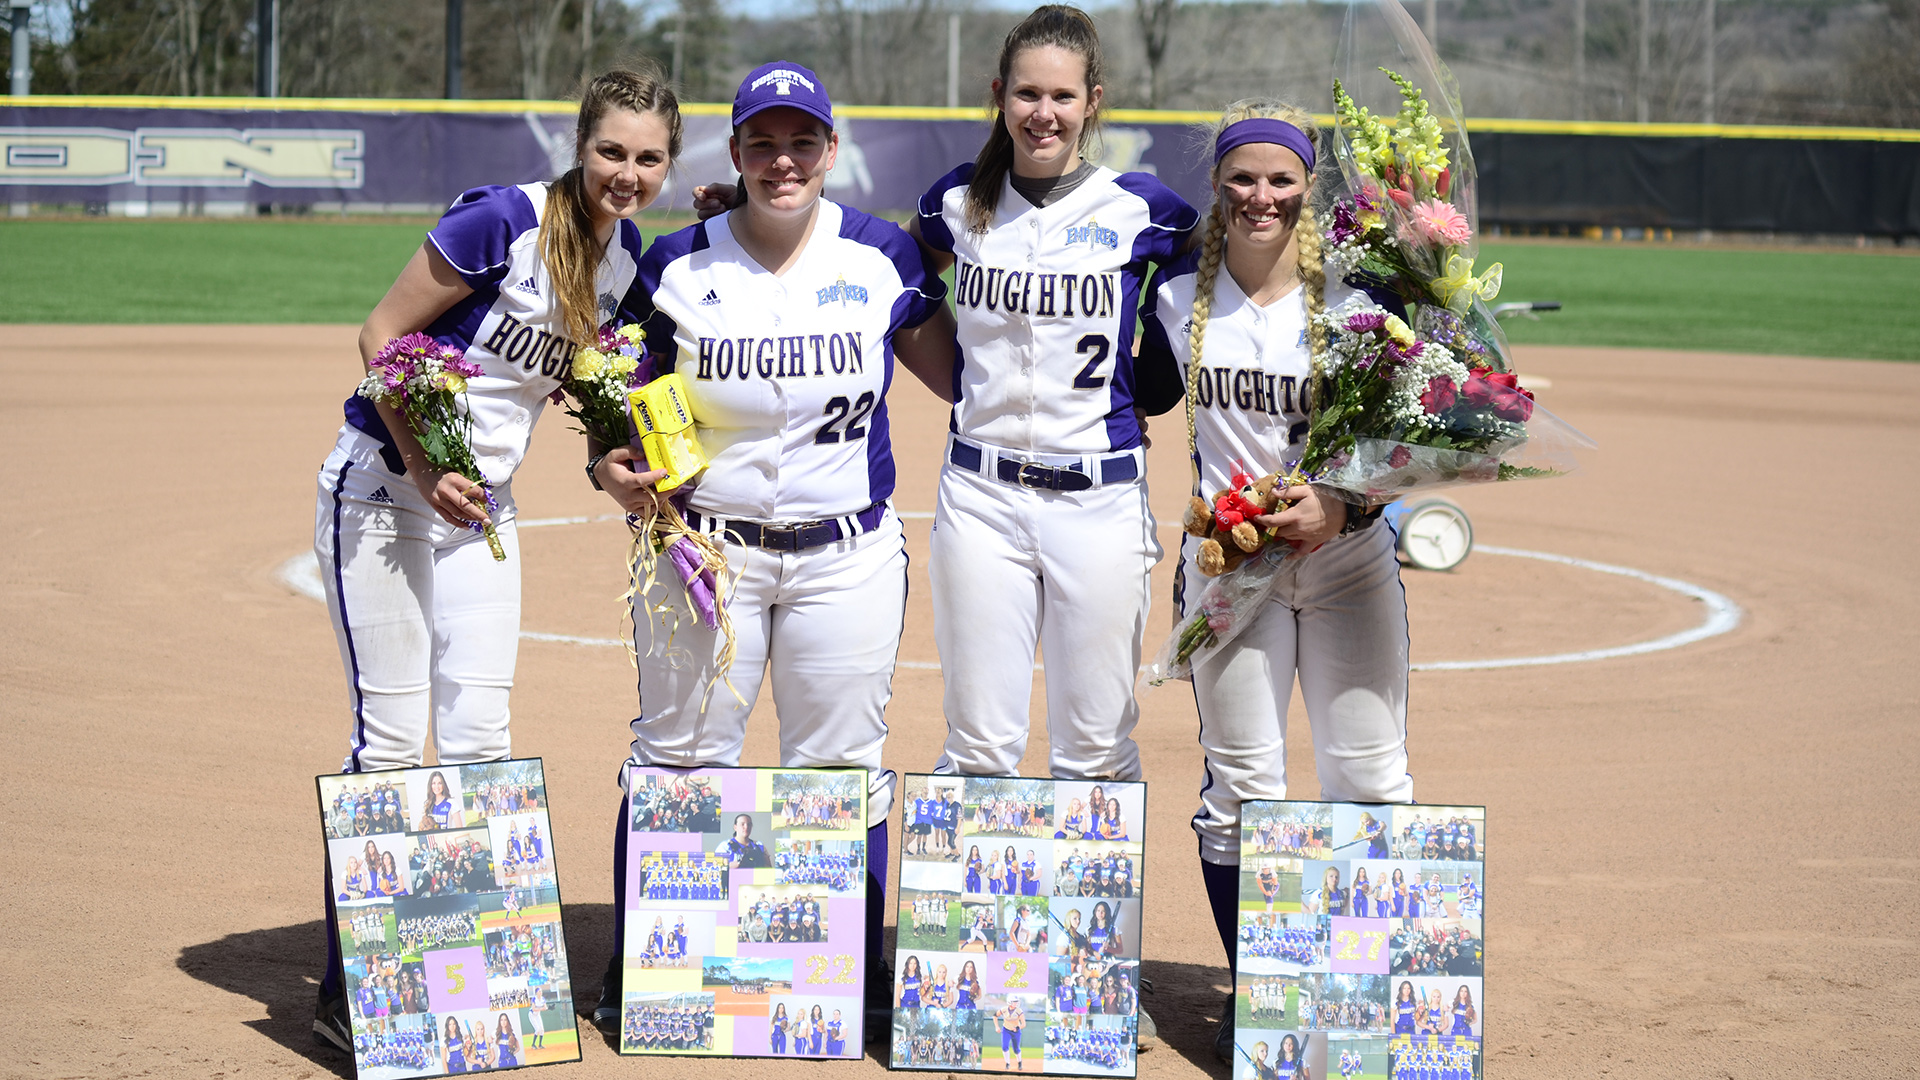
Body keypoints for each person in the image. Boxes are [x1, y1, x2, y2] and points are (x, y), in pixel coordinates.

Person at [310, 67, 682, 1053]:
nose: (626, 173)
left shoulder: (621, 260)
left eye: (648, 158)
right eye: (611, 151)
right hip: (387, 491)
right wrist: (430, 464)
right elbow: (380, 334)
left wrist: (617, 475)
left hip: (487, 508)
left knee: (479, 730)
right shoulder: (501, 223)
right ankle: (357, 993)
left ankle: (455, 980)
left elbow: (590, 403)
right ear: (580, 144)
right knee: (394, 741)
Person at [596, 59, 953, 1036]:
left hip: (848, 554)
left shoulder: (885, 256)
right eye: (763, 140)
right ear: (737, 154)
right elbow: (618, 387)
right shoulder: (679, 262)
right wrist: (609, 463)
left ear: (832, 151)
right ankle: (645, 968)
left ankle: (848, 976)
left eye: (802, 140)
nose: (783, 158)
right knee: (677, 758)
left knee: (839, 766)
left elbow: (965, 374)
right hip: (706, 552)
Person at [1133, 97, 1415, 1062]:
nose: (1262, 196)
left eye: (1282, 178)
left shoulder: (1360, 295)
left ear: (1309, 185)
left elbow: (1412, 430)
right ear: (1217, 182)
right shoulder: (1176, 296)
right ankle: (1269, 998)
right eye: (1243, 177)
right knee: (1242, 791)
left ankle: (1364, 1005)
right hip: (1232, 569)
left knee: (1368, 780)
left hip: (1346, 569)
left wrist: (1347, 504)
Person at [911, 5, 1197, 787]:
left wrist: (1158, 388)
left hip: (1099, 497)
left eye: (1063, 97)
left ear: (1092, 101)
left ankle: (1090, 916)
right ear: (1000, 94)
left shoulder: (1142, 208)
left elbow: (1210, 284)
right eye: (1028, 94)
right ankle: (973, 915)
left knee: (1096, 749)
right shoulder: (958, 201)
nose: (1044, 113)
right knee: (977, 745)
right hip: (980, 496)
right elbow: (895, 274)